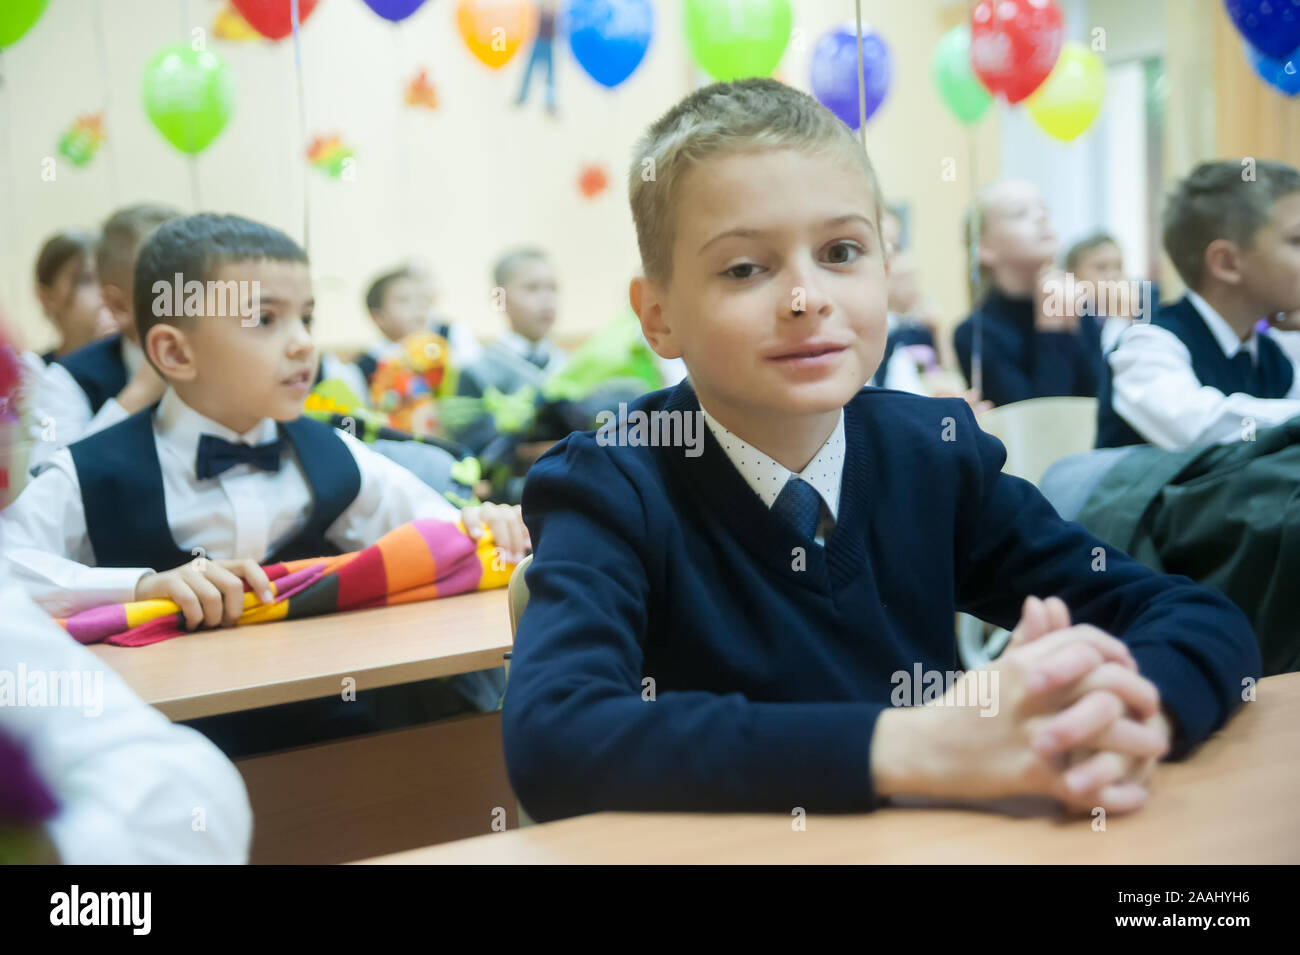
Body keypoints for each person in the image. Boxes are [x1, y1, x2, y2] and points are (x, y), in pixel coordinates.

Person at [502, 78, 1259, 823]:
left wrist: (1134, 713)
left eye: (841, 250)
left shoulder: (932, 451)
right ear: (659, 316)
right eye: (744, 268)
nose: (808, 297)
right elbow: (556, 739)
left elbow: (1188, 610)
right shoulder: (609, 484)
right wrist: (917, 744)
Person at [1096, 160, 1300, 449]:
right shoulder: (1147, 343)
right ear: (1227, 263)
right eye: (1297, 240)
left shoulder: (1272, 355)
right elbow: (1199, 427)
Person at [27, 204, 180, 469]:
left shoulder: (229, 354)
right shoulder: (66, 380)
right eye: (167, 288)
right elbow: (45, 481)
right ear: (118, 305)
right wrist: (139, 394)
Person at [953, 181, 1099, 407]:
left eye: (1044, 210)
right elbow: (1041, 428)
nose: (1041, 218)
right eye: (1020, 213)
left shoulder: (1077, 304)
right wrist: (1052, 331)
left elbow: (1099, 404)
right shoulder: (975, 334)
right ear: (985, 248)